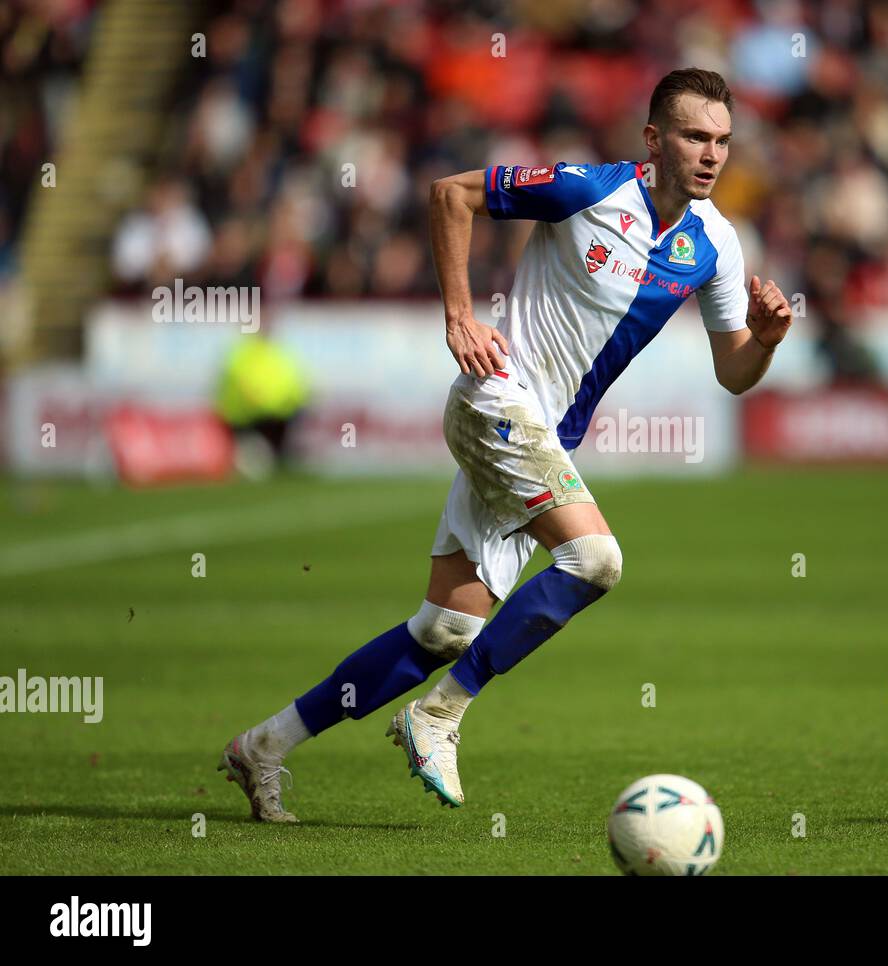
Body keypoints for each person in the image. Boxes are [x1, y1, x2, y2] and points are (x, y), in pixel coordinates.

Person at [218, 68, 793, 821]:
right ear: (654, 139)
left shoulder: (716, 244)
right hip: (497, 399)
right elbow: (450, 194)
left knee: (443, 629)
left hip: (541, 436)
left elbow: (734, 372)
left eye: (721, 139)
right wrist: (458, 314)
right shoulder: (586, 189)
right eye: (693, 135)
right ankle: (440, 715)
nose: (711, 153)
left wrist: (770, 342)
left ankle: (263, 745)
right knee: (595, 560)